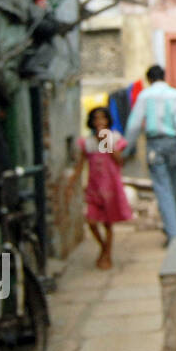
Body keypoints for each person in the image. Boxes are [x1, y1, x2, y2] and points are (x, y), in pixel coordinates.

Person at [125, 64, 176, 246]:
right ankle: (173, 226)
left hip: (155, 145)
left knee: (163, 189)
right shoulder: (175, 95)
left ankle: (174, 235)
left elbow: (133, 125)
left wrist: (125, 149)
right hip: (172, 144)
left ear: (149, 79)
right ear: (164, 76)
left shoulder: (145, 96)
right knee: (172, 186)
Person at [66, 107, 132, 269]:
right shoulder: (87, 142)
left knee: (107, 224)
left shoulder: (114, 138)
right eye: (96, 119)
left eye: (102, 118)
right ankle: (103, 248)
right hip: (94, 188)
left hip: (110, 188)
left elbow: (119, 161)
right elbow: (81, 165)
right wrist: (71, 184)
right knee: (91, 221)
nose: (99, 122)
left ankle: (107, 255)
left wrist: (106, 141)